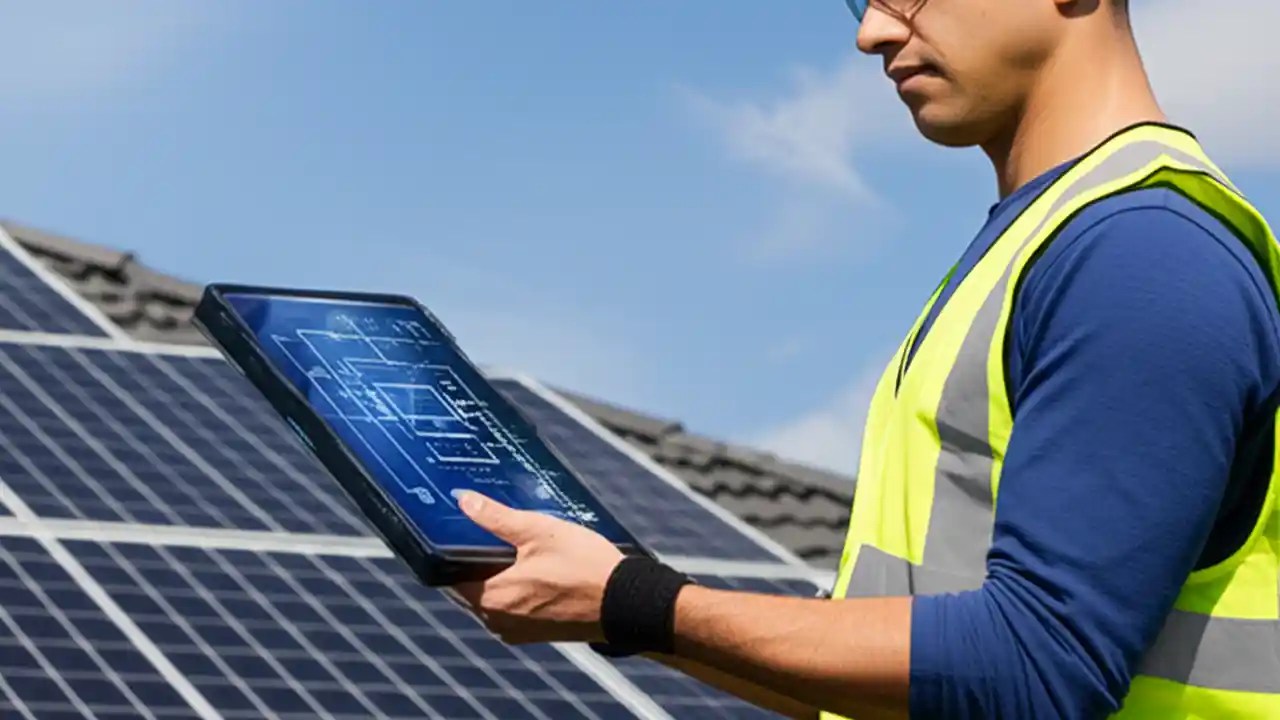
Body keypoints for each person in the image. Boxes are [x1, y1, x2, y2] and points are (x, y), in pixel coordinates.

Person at [452, 0, 1280, 717]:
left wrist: (637, 602)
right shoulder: (1043, 246)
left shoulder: (1143, 256)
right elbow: (903, 682)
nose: (874, 33)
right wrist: (614, 600)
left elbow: (1037, 666)